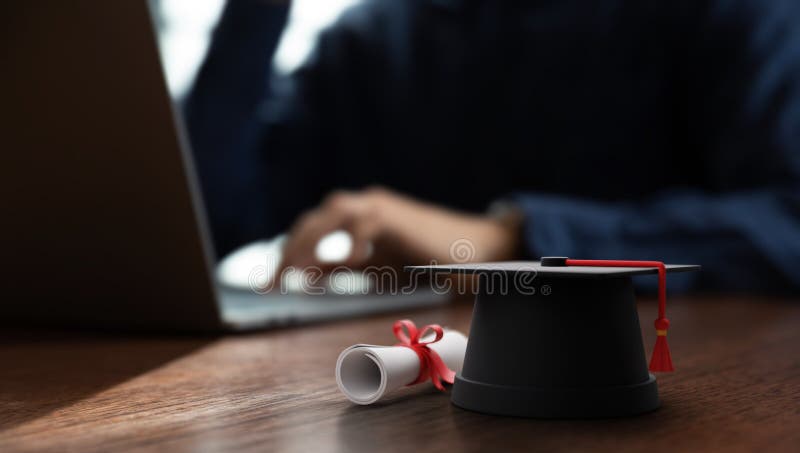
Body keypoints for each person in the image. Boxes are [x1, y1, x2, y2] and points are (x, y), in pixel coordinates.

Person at [185, 0, 800, 292]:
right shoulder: (372, 44)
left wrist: (512, 244)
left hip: (676, 412)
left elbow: (786, 221)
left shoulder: (729, 15)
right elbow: (205, 223)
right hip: (420, 419)